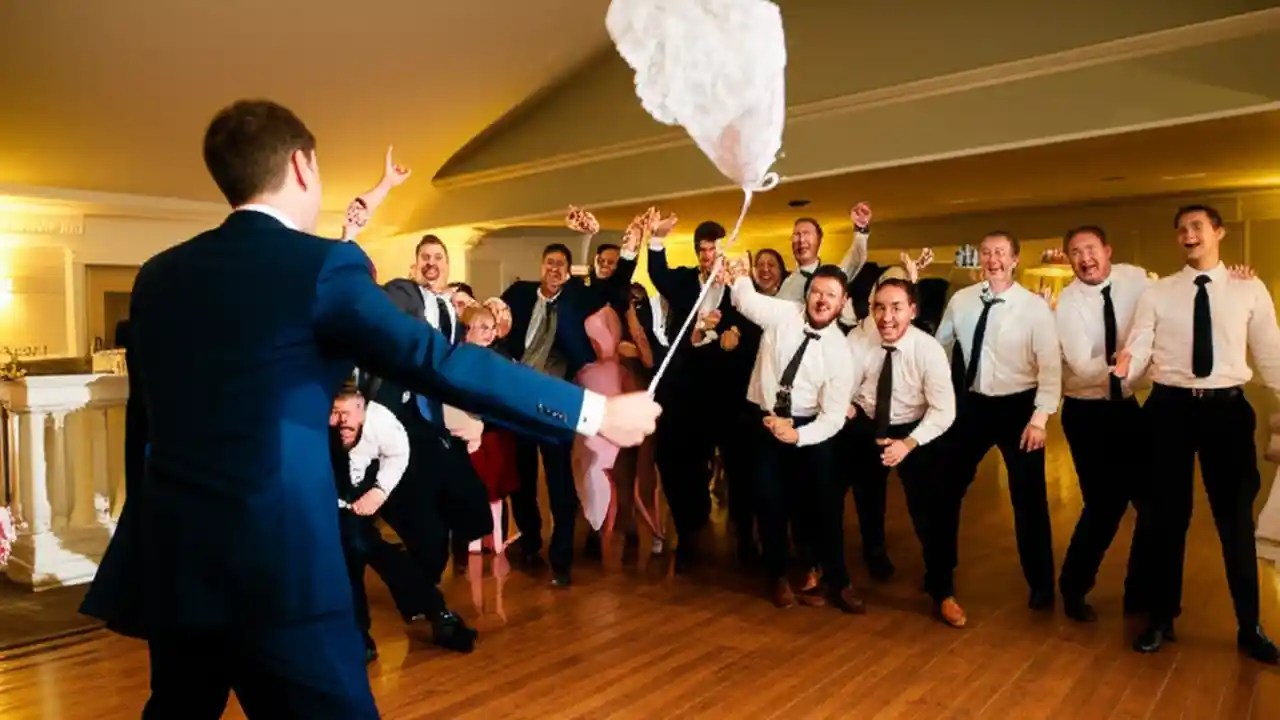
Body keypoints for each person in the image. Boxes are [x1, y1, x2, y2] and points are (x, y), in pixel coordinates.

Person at [79, 99, 661, 720]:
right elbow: (440, 362)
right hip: (282, 567)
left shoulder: (160, 276)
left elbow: (145, 423)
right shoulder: (322, 266)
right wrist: (594, 413)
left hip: (176, 558)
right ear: (303, 166)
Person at [1118, 204, 1280, 663]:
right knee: (1165, 519)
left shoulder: (1248, 288)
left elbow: (1270, 350)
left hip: (1227, 413)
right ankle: (1161, 618)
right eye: (1181, 230)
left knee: (1235, 522)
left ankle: (1250, 626)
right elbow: (1140, 343)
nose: (1188, 235)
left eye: (1197, 227)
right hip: (1168, 411)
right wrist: (1126, 369)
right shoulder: (1158, 292)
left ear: (1218, 233)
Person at [935, 231, 1061, 615]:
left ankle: (1041, 585)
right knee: (945, 491)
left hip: (1019, 408)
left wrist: (1039, 420)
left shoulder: (1033, 308)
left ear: (1015, 259)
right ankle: (940, 578)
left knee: (1029, 501)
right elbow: (939, 347)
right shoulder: (962, 301)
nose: (993, 259)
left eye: (1000, 253)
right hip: (972, 407)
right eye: (987, 253)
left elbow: (1051, 368)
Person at [725, 261, 859, 611]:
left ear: (842, 301)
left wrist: (796, 434)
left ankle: (835, 579)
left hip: (809, 429)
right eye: (816, 291)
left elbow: (832, 419)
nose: (821, 299)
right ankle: (777, 576)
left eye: (830, 295)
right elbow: (745, 301)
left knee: (824, 505)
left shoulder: (840, 352)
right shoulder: (784, 314)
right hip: (766, 420)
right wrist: (738, 274)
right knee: (769, 501)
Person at [1052, 226, 1156, 622]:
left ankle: (1139, 590)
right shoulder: (1067, 303)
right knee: (1104, 505)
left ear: (1107, 250)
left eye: (1090, 249)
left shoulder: (1137, 279)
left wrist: (1233, 279)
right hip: (1086, 411)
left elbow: (1159, 317)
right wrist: (1126, 367)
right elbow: (1081, 363)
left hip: (1127, 407)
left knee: (1149, 503)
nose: (1084, 259)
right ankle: (1074, 585)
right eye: (1075, 253)